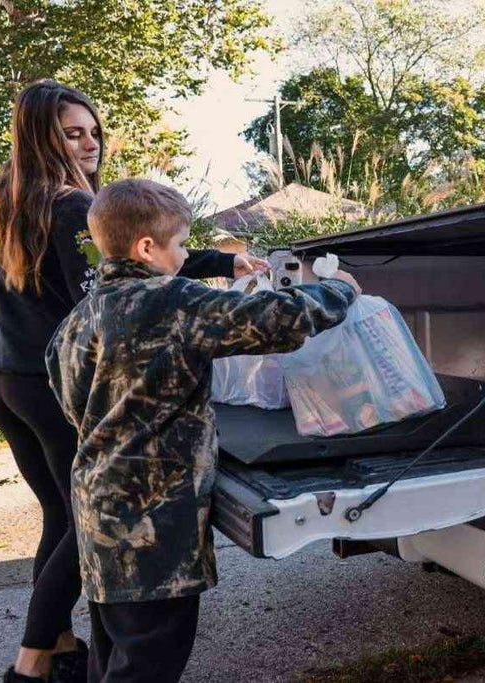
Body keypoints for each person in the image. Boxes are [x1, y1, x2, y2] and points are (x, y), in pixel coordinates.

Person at [0, 80, 268, 683]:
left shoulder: (15, 197)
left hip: (5, 373)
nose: (88, 144)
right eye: (71, 134)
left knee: (60, 517)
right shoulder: (68, 207)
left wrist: (218, 261)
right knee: (82, 519)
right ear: (42, 139)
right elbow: (126, 283)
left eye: (92, 132)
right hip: (47, 380)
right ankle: (32, 662)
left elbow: (133, 258)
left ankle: (58, 645)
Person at [45, 178, 360, 682]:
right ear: (147, 248)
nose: (187, 255)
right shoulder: (170, 301)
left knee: (113, 654)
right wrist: (340, 290)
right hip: (154, 527)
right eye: (184, 245)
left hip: (98, 511)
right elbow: (273, 319)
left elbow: (68, 400)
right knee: (147, 664)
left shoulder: (78, 319)